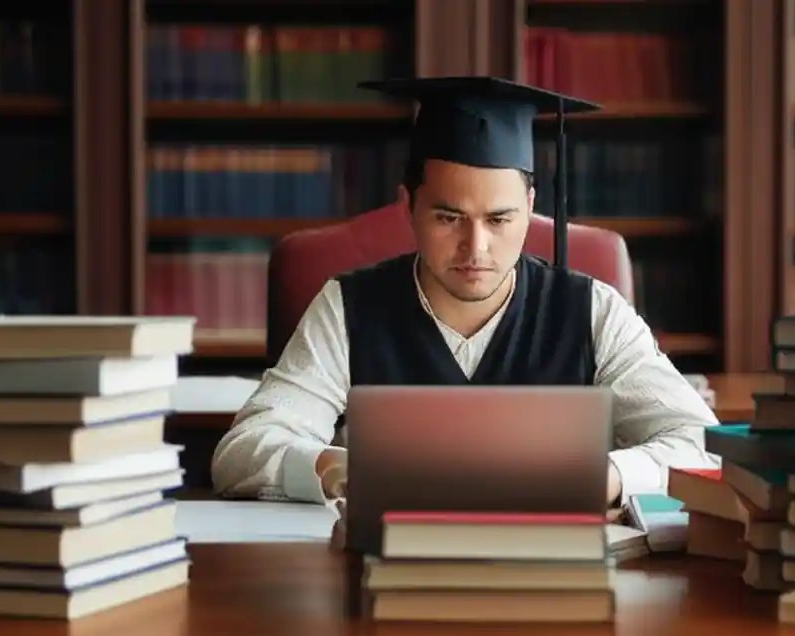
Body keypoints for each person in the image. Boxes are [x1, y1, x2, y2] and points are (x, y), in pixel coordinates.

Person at [211, 76, 719, 510]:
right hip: (384, 575)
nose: (476, 248)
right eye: (448, 217)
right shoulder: (349, 308)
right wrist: (334, 466)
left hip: (552, 575)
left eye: (499, 219)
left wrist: (604, 476)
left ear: (530, 206)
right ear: (409, 205)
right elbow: (243, 450)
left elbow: (704, 445)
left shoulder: (592, 311)